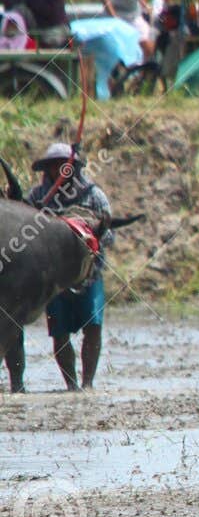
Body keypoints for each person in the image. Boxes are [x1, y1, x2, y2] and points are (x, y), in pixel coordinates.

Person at [26, 143, 116, 391]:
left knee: (93, 327)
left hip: (89, 273)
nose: (59, 170)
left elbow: (109, 236)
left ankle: (88, 384)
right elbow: (26, 237)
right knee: (59, 332)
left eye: (64, 165)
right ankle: (71, 385)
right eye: (54, 166)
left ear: (73, 167)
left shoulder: (93, 195)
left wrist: (90, 235)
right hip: (55, 279)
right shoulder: (36, 199)